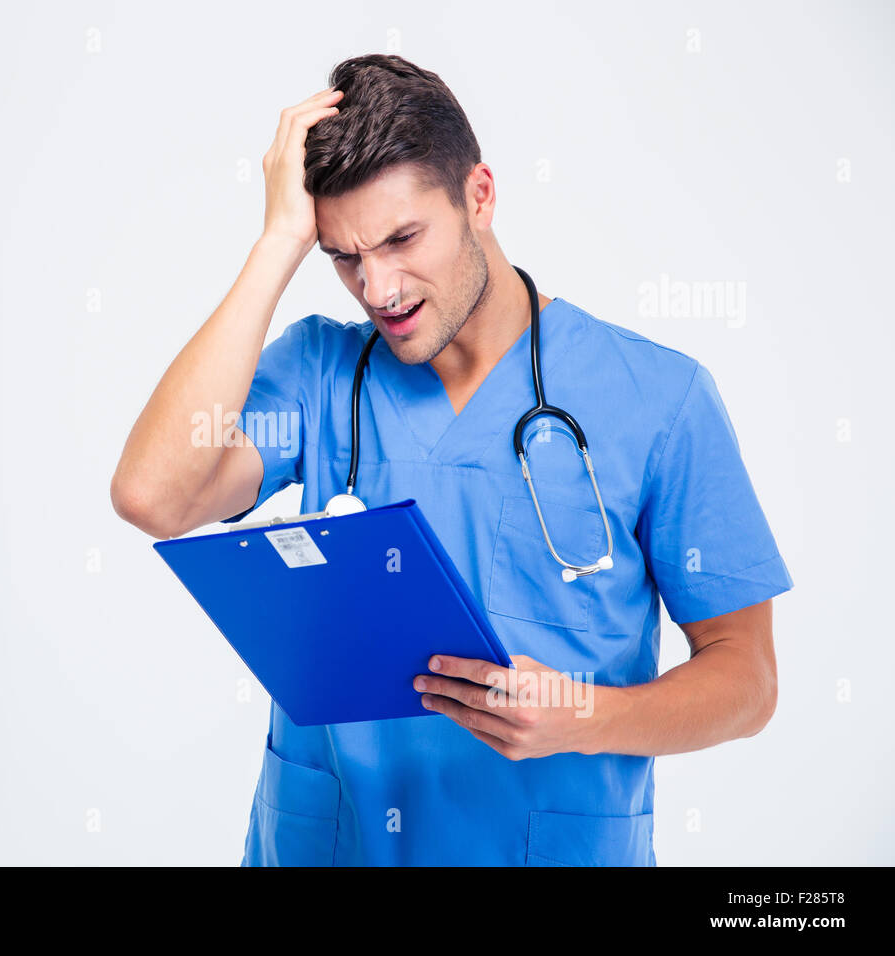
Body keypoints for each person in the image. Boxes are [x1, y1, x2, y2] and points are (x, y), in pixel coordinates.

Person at [109, 53, 793, 866]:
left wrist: (587, 717)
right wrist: (278, 241)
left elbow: (746, 679)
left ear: (480, 195)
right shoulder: (324, 374)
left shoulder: (657, 399)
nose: (380, 286)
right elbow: (153, 494)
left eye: (402, 238)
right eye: (343, 254)